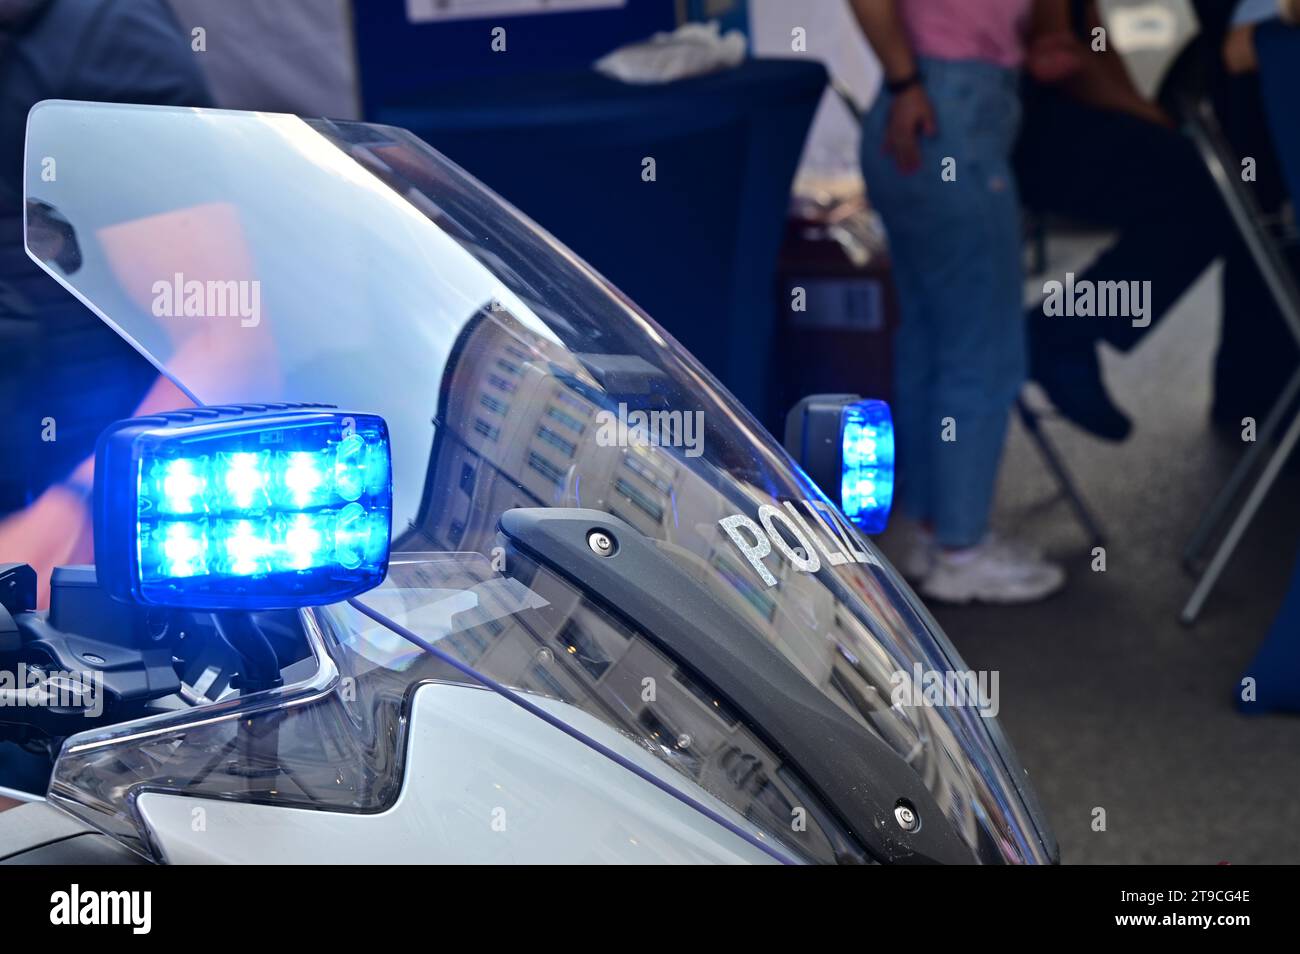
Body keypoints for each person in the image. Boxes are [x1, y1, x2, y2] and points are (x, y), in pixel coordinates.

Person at [848, 0, 1067, 604]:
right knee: (982, 348)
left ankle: (931, 531)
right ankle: (962, 549)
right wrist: (906, 80)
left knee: (930, 339)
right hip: (944, 114)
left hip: (936, 110)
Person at [1021, 0, 1300, 440]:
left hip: (1043, 112)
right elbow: (1065, 52)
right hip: (1016, 121)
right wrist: (1152, 120)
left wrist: (1148, 116)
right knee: (1207, 199)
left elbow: (1091, 42)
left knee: (1209, 198)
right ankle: (1063, 328)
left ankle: (1066, 327)